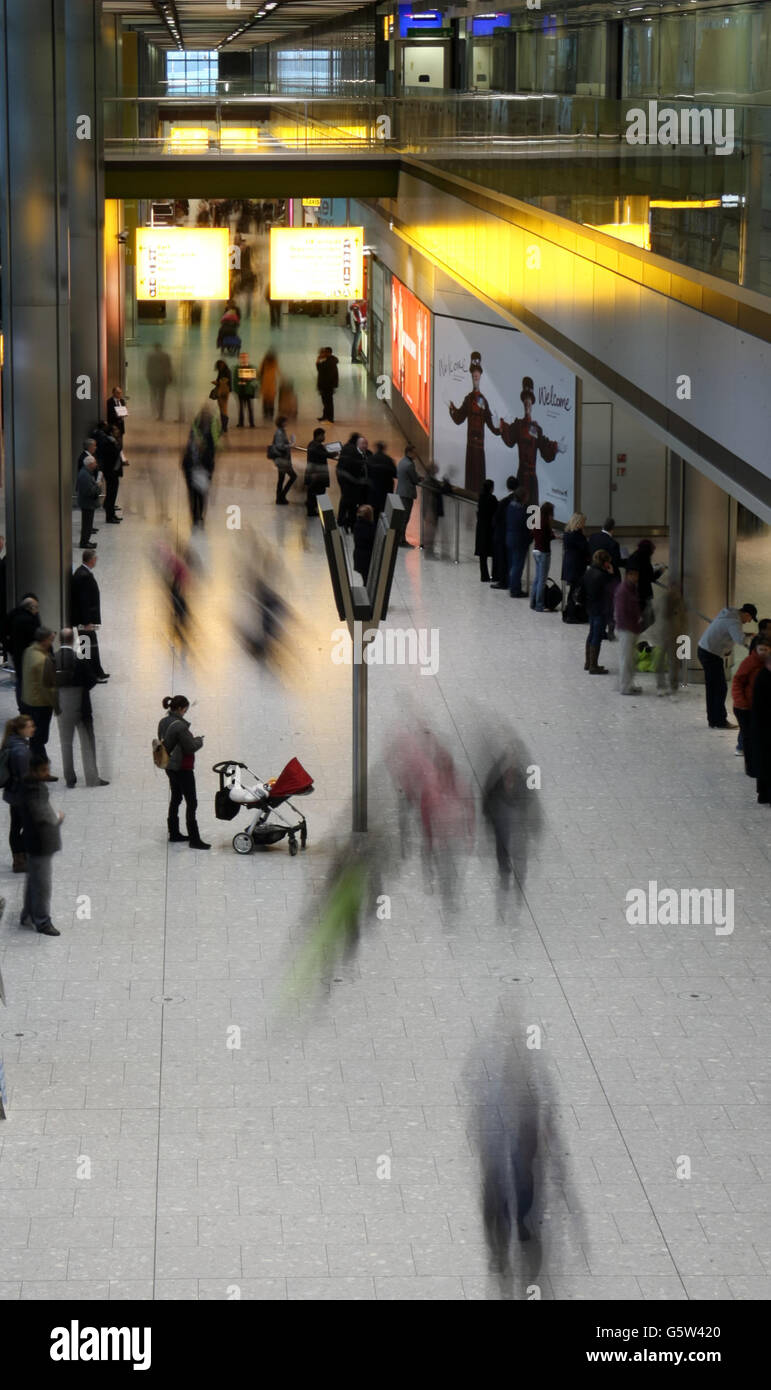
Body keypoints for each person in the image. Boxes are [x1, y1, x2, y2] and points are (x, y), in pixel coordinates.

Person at [54, 629, 109, 790]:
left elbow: (46, 681)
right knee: (87, 742)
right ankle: (92, 778)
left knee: (66, 743)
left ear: (60, 640)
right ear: (73, 640)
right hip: (82, 706)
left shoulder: (52, 659)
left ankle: (70, 779)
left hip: (62, 707)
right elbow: (92, 680)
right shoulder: (80, 658)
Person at [499, 376, 565, 508]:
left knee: (532, 512)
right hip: (521, 477)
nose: (527, 404)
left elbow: (545, 449)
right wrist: (502, 425)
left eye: (529, 401)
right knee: (520, 508)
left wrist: (556, 446)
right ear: (523, 403)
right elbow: (509, 440)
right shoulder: (518, 425)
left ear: (532, 404)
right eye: (525, 401)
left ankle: (531, 528)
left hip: (532, 479)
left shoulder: (536, 429)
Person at [19, 753, 63, 935]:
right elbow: (42, 815)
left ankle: (27, 913)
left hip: (32, 841)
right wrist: (57, 820)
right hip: (40, 843)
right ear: (34, 771)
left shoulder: (28, 785)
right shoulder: (34, 791)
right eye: (44, 770)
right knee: (42, 885)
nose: (47, 773)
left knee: (33, 880)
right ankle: (43, 921)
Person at [157, 695, 210, 848]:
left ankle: (173, 833)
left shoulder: (163, 721)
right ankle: (194, 839)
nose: (186, 711)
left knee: (176, 798)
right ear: (181, 708)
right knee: (191, 802)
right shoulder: (180, 726)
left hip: (169, 766)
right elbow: (190, 747)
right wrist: (199, 740)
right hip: (183, 768)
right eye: (185, 708)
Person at [697, 602, 756, 729]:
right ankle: (718, 721)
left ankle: (714, 720)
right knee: (719, 688)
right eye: (750, 618)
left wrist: (748, 634)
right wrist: (754, 642)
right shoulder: (734, 621)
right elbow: (739, 639)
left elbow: (729, 633)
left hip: (705, 651)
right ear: (746, 614)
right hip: (711, 655)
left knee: (714, 688)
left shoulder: (729, 615)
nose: (749, 621)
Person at [448, 351, 500, 494]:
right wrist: (452, 409)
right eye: (473, 375)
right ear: (471, 377)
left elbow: (491, 424)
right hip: (471, 448)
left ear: (480, 376)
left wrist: (500, 426)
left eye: (477, 375)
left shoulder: (483, 401)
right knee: (471, 482)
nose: (475, 377)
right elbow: (459, 418)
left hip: (479, 449)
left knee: (478, 481)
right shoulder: (468, 399)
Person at [733, 638, 771, 780]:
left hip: (757, 708)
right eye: (761, 649)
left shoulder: (766, 665)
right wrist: (741, 702)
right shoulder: (750, 663)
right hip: (745, 707)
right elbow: (737, 681)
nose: (763, 653)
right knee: (748, 737)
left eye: (766, 649)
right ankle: (751, 768)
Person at [21, 628, 59, 764]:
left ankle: (39, 765)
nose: (52, 642)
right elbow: (48, 688)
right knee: (40, 738)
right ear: (44, 641)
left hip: (27, 700)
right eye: (50, 639)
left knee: (34, 737)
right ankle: (38, 768)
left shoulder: (29, 651)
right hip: (40, 705)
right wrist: (57, 706)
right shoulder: (43, 660)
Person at [2, 713, 34, 872]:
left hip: (13, 793)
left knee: (16, 827)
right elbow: (25, 777)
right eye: (30, 726)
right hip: (22, 796)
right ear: (21, 729)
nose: (33, 729)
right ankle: (23, 859)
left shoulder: (10, 743)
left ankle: (18, 860)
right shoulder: (21, 750)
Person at [71, 550, 109, 682]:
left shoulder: (81, 572)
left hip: (84, 620)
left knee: (88, 645)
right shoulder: (84, 576)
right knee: (89, 646)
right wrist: (87, 622)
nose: (96, 560)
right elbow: (84, 601)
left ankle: (96, 671)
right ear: (90, 560)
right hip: (84, 621)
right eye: (95, 558)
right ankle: (92, 674)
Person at [182, 404, 220, 527]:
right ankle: (195, 516)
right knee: (194, 496)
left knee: (201, 495)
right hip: (194, 473)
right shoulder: (192, 447)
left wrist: (208, 472)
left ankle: (200, 516)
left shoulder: (207, 451)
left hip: (202, 472)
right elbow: (185, 463)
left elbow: (210, 463)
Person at [649, 582, 688, 697]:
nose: (675, 592)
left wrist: (683, 632)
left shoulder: (680, 603)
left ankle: (673, 685)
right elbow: (654, 615)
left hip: (674, 636)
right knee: (660, 661)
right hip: (661, 635)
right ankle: (661, 686)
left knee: (674, 662)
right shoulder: (662, 601)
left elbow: (684, 620)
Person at [588, 517, 624, 639]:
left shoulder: (593, 537)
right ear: (613, 529)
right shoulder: (613, 543)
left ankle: (598, 629)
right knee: (610, 604)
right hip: (609, 576)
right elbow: (617, 561)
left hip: (594, 574)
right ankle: (610, 630)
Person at [582, 550, 615, 674]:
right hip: (601, 609)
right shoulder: (604, 576)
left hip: (590, 607)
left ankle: (588, 662)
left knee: (591, 634)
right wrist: (611, 574)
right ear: (606, 563)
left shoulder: (589, 572)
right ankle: (593, 665)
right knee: (597, 636)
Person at [5, 594, 40, 707]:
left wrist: (10, 649)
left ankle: (22, 705)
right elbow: (37, 636)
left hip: (17, 654)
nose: (37, 610)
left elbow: (3, 633)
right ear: (30, 607)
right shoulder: (30, 619)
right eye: (36, 607)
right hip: (29, 655)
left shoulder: (12, 615)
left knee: (20, 680)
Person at [614, 565, 644, 694]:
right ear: (627, 575)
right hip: (626, 628)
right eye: (633, 575)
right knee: (626, 659)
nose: (636, 577)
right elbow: (621, 612)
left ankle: (628, 684)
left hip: (632, 628)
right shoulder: (623, 590)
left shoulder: (631, 588)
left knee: (630, 659)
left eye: (637, 575)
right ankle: (625, 687)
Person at [625, 538, 664, 625]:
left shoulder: (632, 557)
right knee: (649, 619)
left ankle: (633, 634)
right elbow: (650, 577)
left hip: (631, 592)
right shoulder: (644, 560)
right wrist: (661, 571)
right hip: (643, 594)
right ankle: (634, 633)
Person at [337, 435, 370, 532]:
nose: (365, 446)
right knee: (350, 505)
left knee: (355, 506)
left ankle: (352, 523)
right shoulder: (352, 455)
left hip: (362, 487)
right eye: (362, 444)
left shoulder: (369, 454)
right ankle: (347, 523)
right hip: (352, 486)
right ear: (357, 445)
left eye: (366, 444)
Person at [491, 477, 518, 589]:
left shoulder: (504, 502)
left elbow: (496, 519)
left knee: (502, 558)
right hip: (512, 534)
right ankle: (510, 579)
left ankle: (503, 581)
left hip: (502, 534)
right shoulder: (518, 501)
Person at [93, 421, 123, 525]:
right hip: (111, 472)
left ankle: (112, 514)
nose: (118, 431)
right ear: (111, 432)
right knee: (111, 494)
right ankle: (109, 517)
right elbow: (112, 456)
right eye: (115, 430)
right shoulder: (108, 443)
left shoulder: (112, 441)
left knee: (113, 494)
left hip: (113, 471)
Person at [561, 512, 591, 614]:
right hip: (577, 566)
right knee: (575, 591)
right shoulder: (578, 536)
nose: (584, 524)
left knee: (572, 590)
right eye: (583, 522)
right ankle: (571, 613)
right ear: (579, 523)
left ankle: (569, 611)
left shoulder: (567, 534)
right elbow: (586, 549)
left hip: (568, 564)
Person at [505, 486, 531, 597]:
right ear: (523, 497)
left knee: (513, 564)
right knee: (518, 566)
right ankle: (515, 590)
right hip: (519, 541)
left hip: (510, 538)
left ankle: (513, 586)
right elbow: (526, 527)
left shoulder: (510, 507)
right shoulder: (522, 511)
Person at [529, 501, 555, 612]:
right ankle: (539, 604)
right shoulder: (545, 523)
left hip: (536, 550)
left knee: (537, 578)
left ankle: (533, 602)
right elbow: (547, 537)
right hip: (544, 552)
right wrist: (553, 536)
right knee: (542, 580)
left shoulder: (537, 520)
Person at [76, 443, 101, 549]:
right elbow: (89, 491)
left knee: (88, 524)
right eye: (94, 463)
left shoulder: (87, 472)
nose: (96, 465)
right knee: (86, 525)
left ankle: (86, 541)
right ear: (89, 464)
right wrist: (98, 486)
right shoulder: (85, 475)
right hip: (87, 503)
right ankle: (84, 542)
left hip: (88, 503)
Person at [396, 444, 420, 547]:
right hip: (407, 494)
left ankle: (399, 539)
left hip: (401, 492)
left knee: (402, 517)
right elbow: (414, 479)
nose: (416, 454)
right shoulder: (410, 464)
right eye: (414, 452)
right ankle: (401, 540)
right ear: (409, 452)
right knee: (405, 518)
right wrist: (419, 478)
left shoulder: (402, 461)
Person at [304, 428, 332, 518]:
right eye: (323, 435)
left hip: (311, 472)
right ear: (318, 436)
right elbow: (325, 455)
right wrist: (334, 453)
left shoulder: (311, 444)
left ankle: (312, 509)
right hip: (318, 474)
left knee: (312, 492)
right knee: (321, 492)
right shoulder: (318, 446)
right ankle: (326, 514)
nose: (324, 437)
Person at [475, 479, 498, 583]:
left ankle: (484, 576)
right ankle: (495, 575)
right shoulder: (492, 499)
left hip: (481, 528)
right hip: (490, 529)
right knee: (494, 552)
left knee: (482, 555)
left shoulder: (481, 498)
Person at [368, 442, 397, 520]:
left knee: (374, 512)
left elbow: (367, 473)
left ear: (376, 448)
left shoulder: (371, 459)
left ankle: (374, 528)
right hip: (386, 489)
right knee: (385, 511)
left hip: (374, 489)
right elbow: (395, 474)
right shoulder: (388, 459)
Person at [271, 416, 296, 505]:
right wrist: (290, 445)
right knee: (293, 477)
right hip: (283, 461)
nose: (287, 423)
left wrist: (288, 443)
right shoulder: (279, 433)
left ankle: (280, 497)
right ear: (282, 423)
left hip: (282, 460)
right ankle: (281, 496)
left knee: (281, 479)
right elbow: (280, 446)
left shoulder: (281, 431)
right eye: (285, 422)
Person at [146, 344, 173, 421]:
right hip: (163, 379)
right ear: (161, 348)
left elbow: (148, 368)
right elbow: (169, 367)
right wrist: (170, 378)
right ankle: (161, 414)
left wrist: (149, 378)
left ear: (155, 348)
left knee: (154, 397)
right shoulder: (166, 356)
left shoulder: (151, 356)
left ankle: (154, 412)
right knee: (162, 398)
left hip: (153, 379)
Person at [353, 504, 376, 584]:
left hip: (359, 556)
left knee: (365, 579)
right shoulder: (369, 528)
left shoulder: (357, 525)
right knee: (367, 580)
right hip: (366, 558)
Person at [316, 346, 339, 423]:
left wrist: (318, 360)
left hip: (327, 386)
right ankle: (325, 416)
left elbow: (320, 369)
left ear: (329, 353)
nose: (324, 354)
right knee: (326, 402)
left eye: (325, 352)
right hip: (327, 385)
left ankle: (330, 418)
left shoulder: (329, 362)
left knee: (328, 402)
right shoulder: (329, 361)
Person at [234, 352, 257, 427]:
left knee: (250, 408)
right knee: (241, 408)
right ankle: (241, 423)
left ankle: (252, 423)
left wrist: (251, 379)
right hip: (240, 391)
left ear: (247, 358)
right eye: (242, 357)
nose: (244, 359)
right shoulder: (237, 368)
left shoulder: (252, 367)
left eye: (245, 357)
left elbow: (255, 379)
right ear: (240, 359)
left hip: (249, 391)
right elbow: (235, 379)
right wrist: (239, 384)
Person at [258, 349, 278, 421]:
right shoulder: (269, 363)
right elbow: (278, 372)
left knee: (268, 400)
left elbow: (259, 373)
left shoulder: (270, 362)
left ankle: (267, 414)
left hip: (267, 384)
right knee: (269, 401)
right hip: (269, 385)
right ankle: (269, 414)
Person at [212, 359, 232, 433]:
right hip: (223, 392)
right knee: (222, 409)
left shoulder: (226, 371)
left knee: (223, 409)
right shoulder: (224, 371)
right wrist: (217, 382)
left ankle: (224, 427)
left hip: (223, 392)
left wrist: (217, 382)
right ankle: (224, 426)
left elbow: (225, 380)